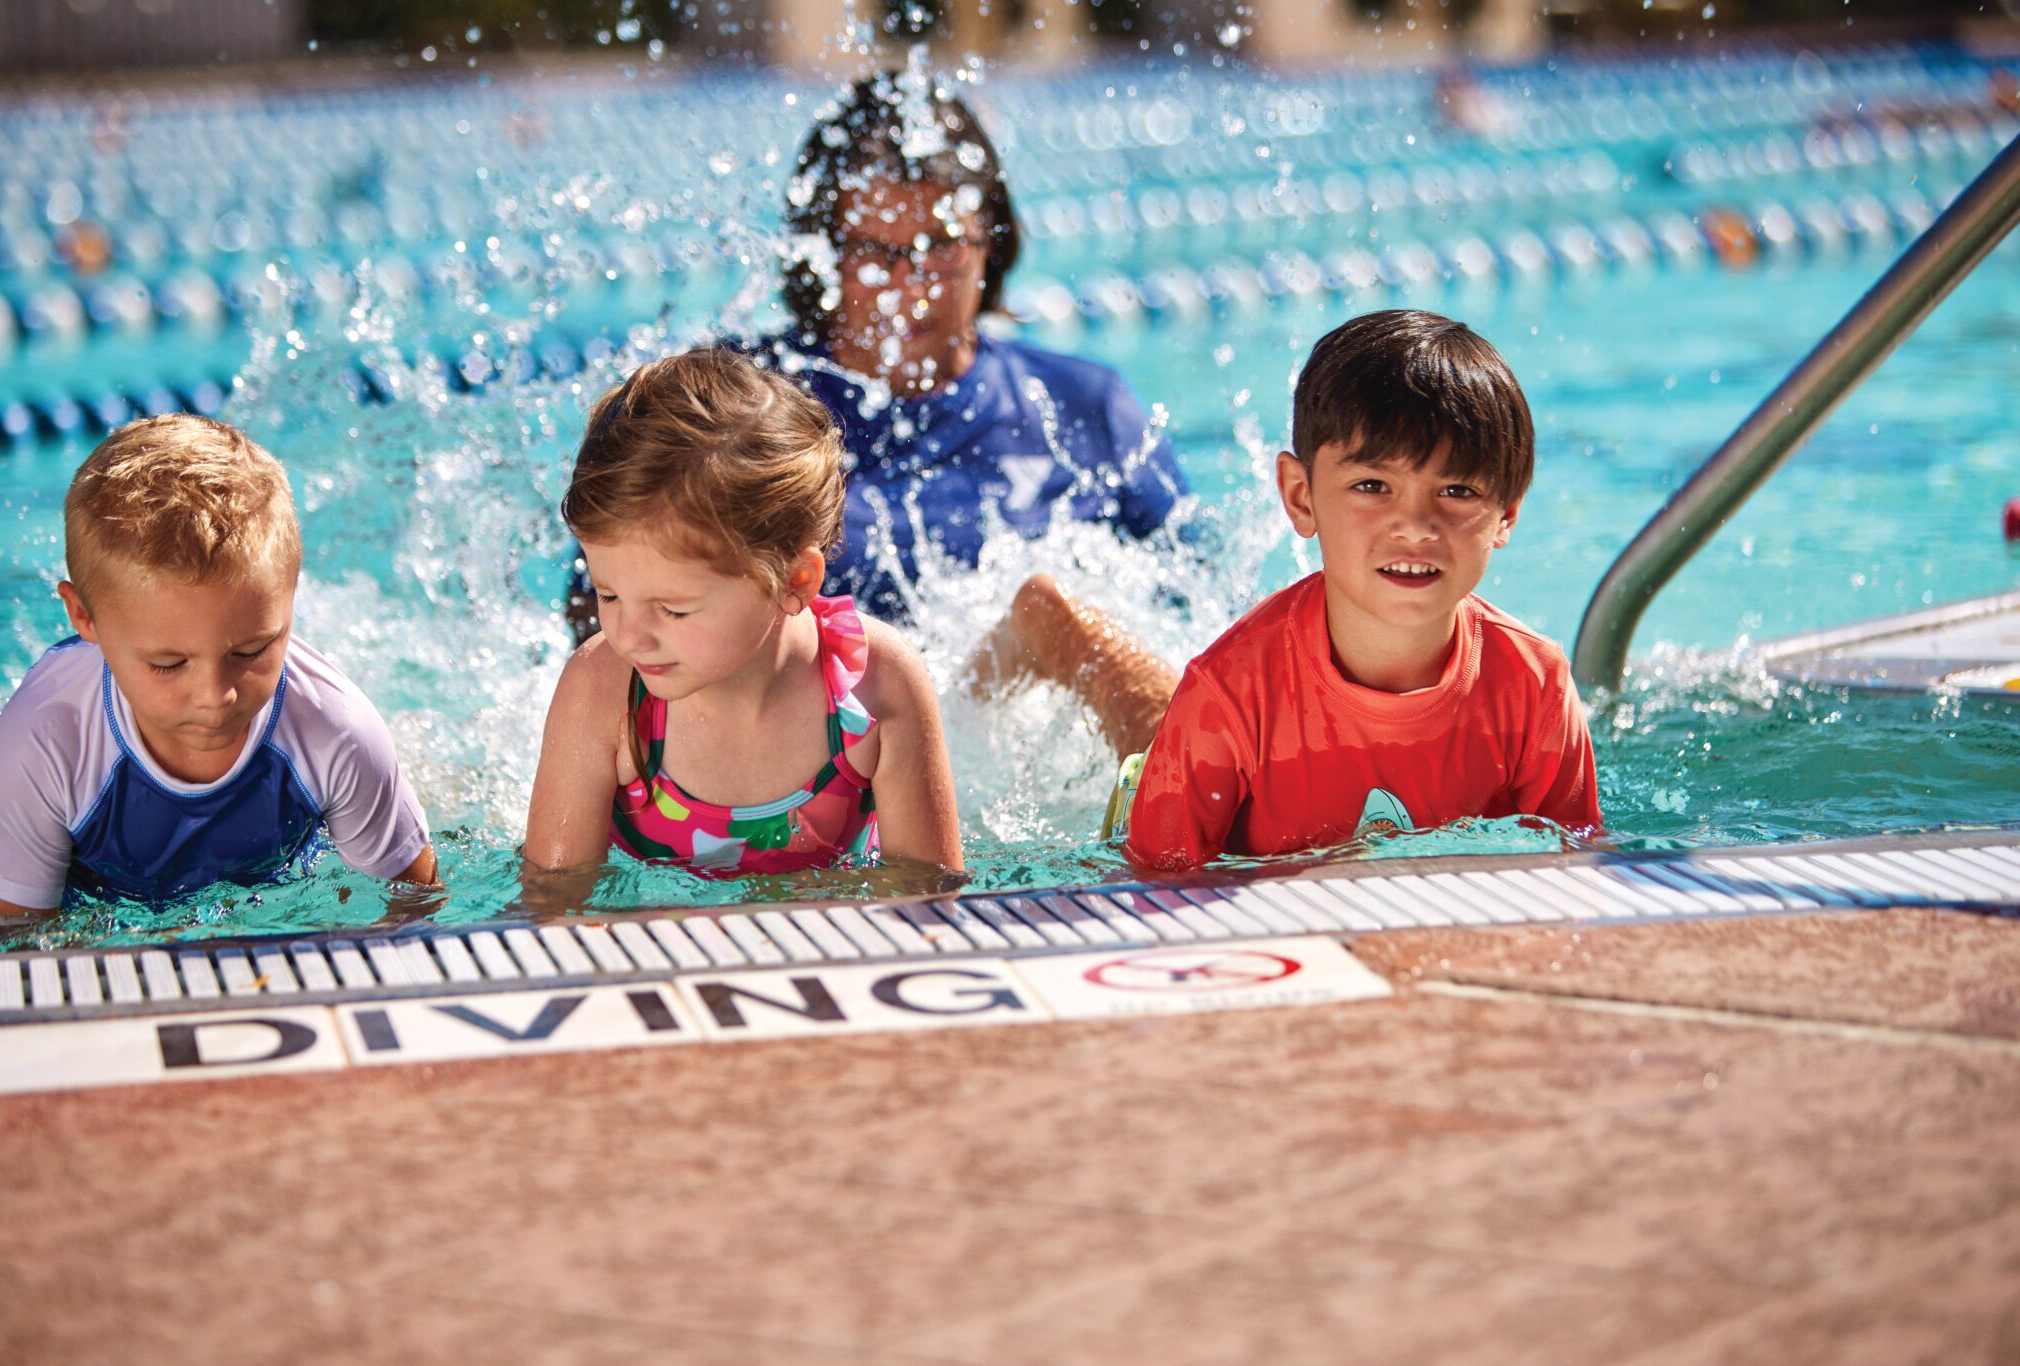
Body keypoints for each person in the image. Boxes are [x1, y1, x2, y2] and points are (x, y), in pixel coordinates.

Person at [568, 65, 1187, 636]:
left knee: (1058, 623)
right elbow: (604, 618)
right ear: (824, 254)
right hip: (804, 741)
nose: (908, 287)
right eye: (872, 252)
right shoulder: (729, 411)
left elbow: (1196, 616)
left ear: (990, 242)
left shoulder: (1081, 407)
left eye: (941, 246)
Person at [985, 310, 1603, 871]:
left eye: (1458, 491)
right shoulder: (1229, 696)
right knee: (1146, 732)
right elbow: (1152, 894)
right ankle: (1048, 617)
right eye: (1371, 486)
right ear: (1301, 496)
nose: (1415, 526)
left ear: (1507, 515)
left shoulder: (1536, 686)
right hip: (1171, 782)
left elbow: (1572, 873)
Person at [0, 415, 437, 917]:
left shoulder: (337, 732)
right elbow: (12, 949)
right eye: (168, 664)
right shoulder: (45, 740)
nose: (217, 696)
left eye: (250, 652)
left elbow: (413, 910)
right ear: (84, 617)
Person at [527, 348, 963, 883]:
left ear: (794, 581)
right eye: (608, 594)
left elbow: (926, 895)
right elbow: (554, 902)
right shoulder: (603, 690)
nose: (627, 636)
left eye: (673, 609)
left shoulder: (877, 685)